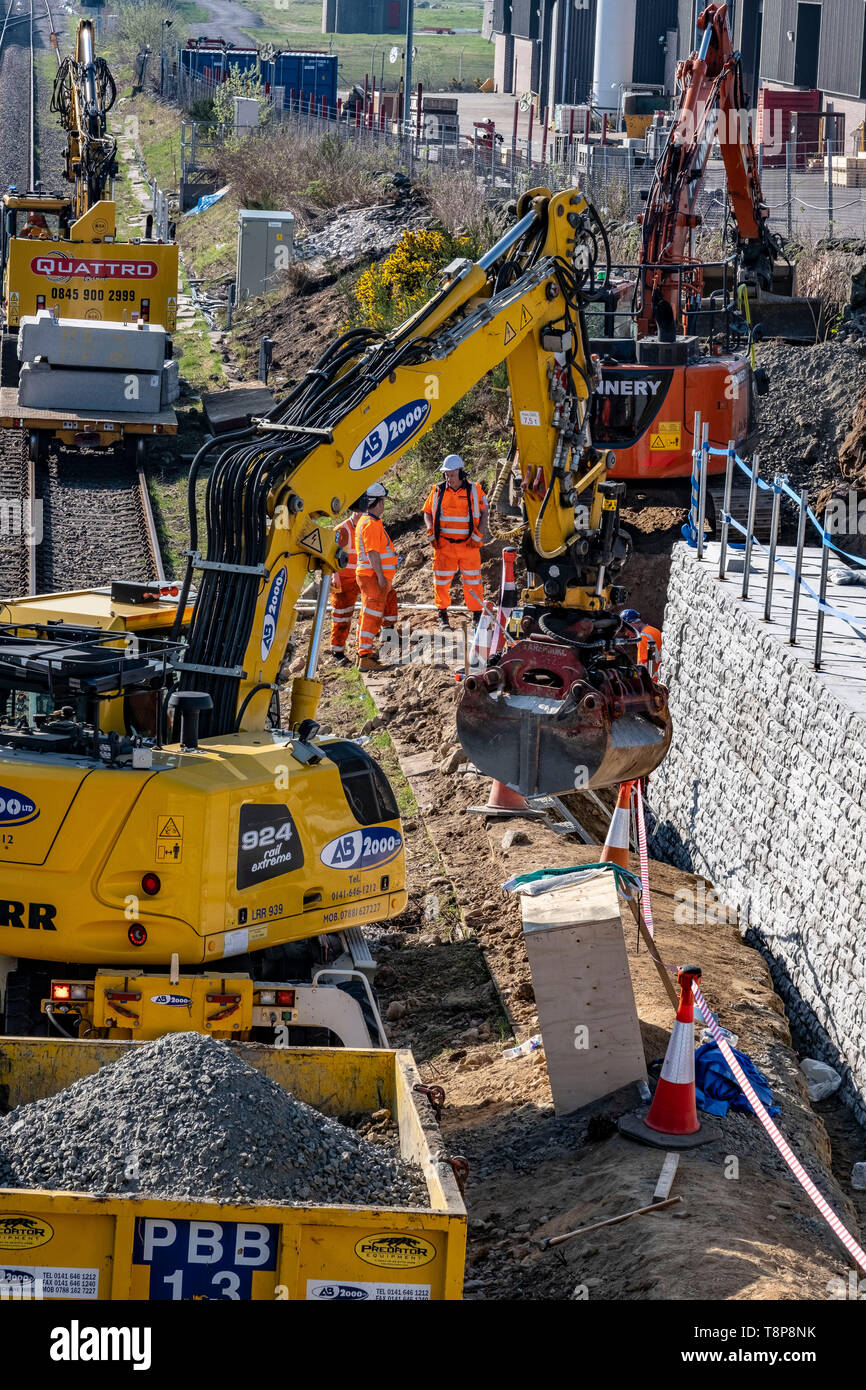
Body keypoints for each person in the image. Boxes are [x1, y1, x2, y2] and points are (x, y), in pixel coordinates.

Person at [423, 454, 488, 629]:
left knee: (473, 581)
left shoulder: (475, 490)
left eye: (451, 475)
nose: (448, 478)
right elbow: (427, 512)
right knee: (441, 582)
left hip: (469, 546)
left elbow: (484, 514)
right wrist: (430, 531)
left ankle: (476, 615)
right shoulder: (437, 490)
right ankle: (442, 616)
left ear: (460, 473)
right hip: (444, 547)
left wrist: (478, 535)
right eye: (446, 475)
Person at [355, 482, 398, 672]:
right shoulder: (370, 524)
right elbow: (373, 553)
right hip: (372, 577)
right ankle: (364, 655)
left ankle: (364, 653)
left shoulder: (368, 521)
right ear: (377, 502)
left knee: (368, 614)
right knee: (371, 616)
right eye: (383, 501)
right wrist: (380, 577)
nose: (384, 505)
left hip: (369, 576)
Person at [328, 501, 365, 664]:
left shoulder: (365, 527)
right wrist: (334, 575)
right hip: (344, 579)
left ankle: (363, 649)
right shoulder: (343, 530)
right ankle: (337, 652)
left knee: (369, 612)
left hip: (361, 576)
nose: (361, 515)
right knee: (341, 616)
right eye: (359, 512)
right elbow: (332, 555)